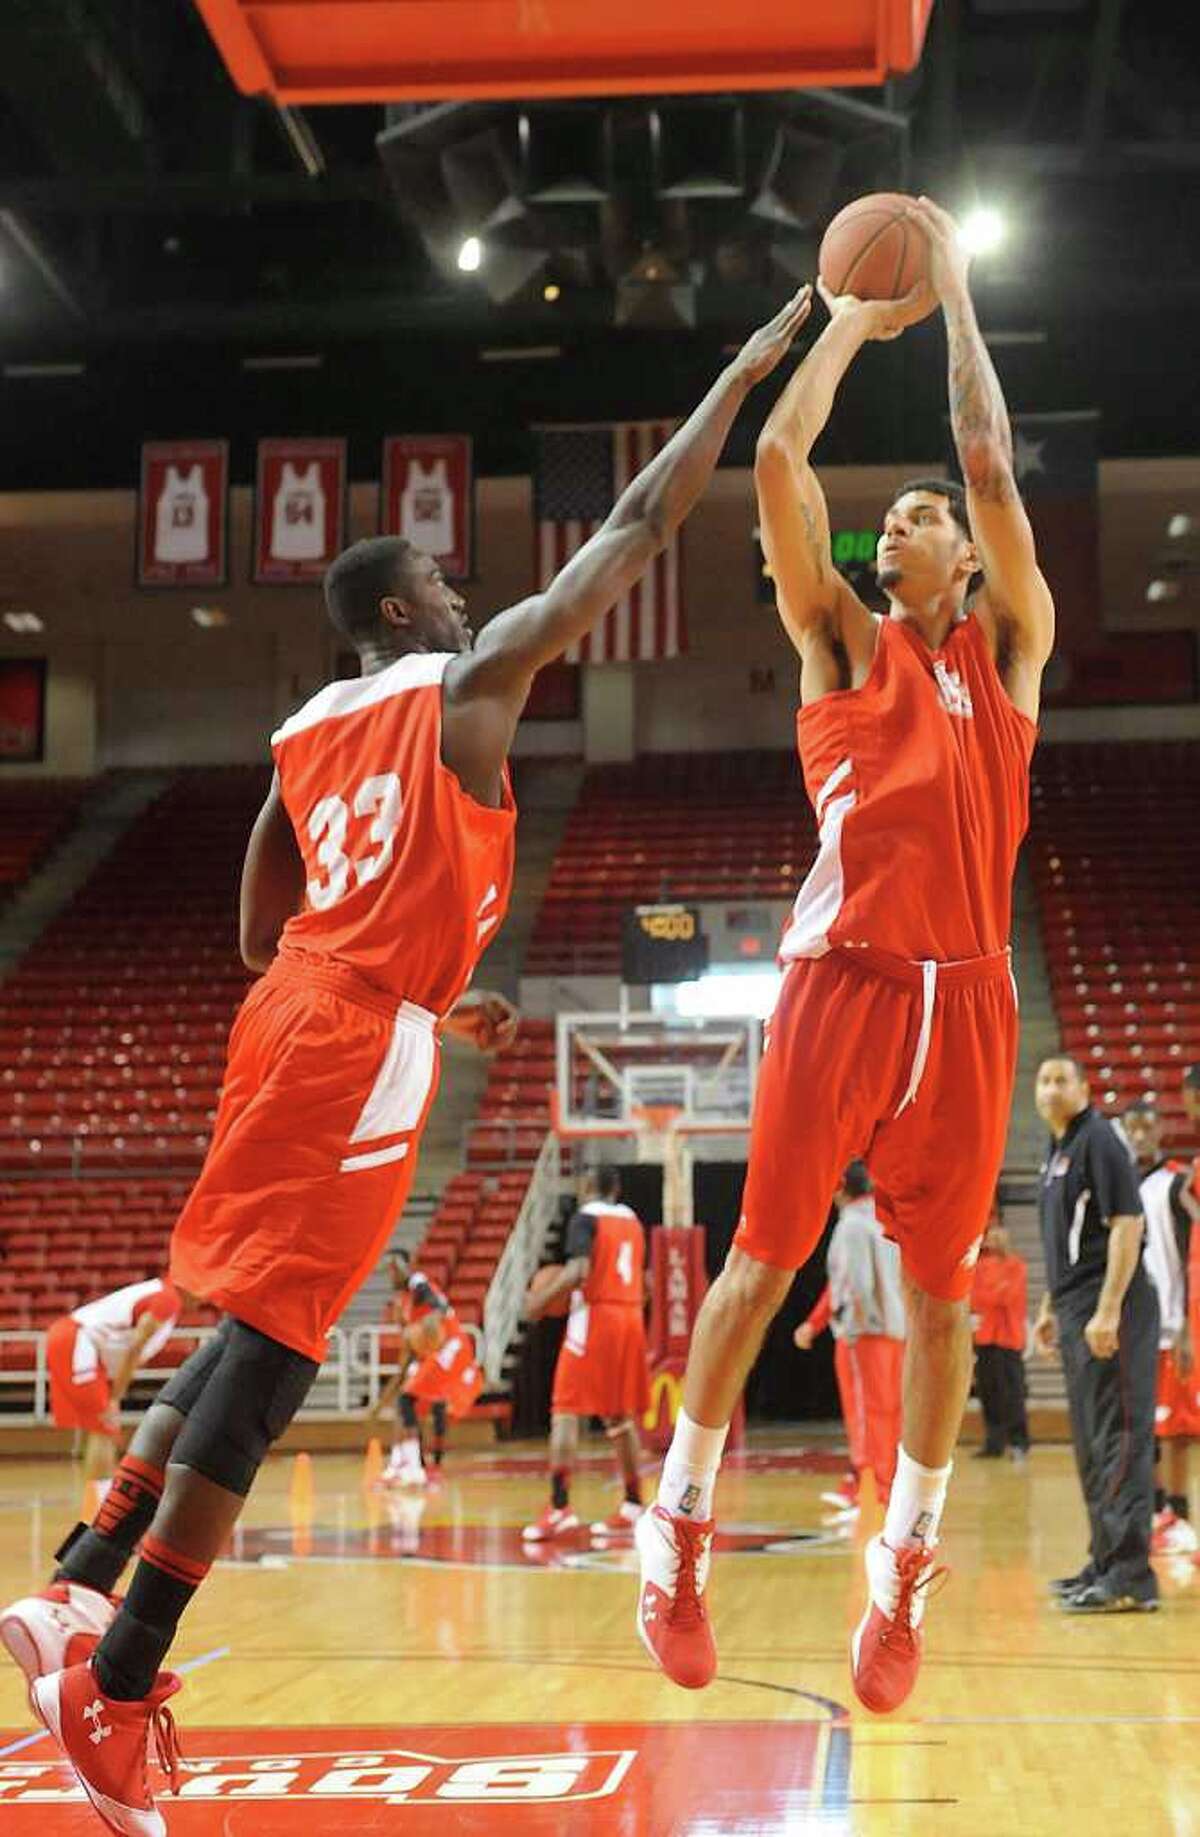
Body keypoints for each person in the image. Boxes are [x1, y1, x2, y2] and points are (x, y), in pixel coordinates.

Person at [1, 286, 812, 1834]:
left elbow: (259, 924)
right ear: (397, 614)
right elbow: (637, 524)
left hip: (293, 1014)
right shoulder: (465, 689)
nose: (460, 593)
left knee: (241, 1320)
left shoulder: (306, 726)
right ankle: (113, 1679)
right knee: (281, 1354)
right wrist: (746, 364)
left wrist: (409, 988)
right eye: (440, 582)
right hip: (356, 1036)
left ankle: (75, 1585)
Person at [636, 198, 1054, 1714]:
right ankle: (674, 1535)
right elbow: (776, 463)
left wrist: (948, 295)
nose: (913, 518)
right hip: (842, 981)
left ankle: (903, 1573)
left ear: (966, 561)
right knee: (758, 1265)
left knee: (942, 1302)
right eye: (900, 516)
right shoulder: (834, 637)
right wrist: (837, 323)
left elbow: (994, 461)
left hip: (971, 996)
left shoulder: (1009, 654)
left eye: (930, 516)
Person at [1032, 1057, 1159, 1612]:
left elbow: (1127, 1225)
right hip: (1076, 1303)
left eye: (1063, 1079)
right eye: (1043, 1080)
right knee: (1090, 1442)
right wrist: (1048, 1305)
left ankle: (1131, 1574)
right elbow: (1066, 1241)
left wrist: (1108, 1311)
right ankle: (1105, 1560)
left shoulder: (1100, 1140)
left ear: (1084, 1089)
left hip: (1116, 1304)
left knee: (1120, 1440)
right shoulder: (1057, 1153)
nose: (1052, 1088)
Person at [523, 1167, 650, 1543]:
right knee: (619, 1419)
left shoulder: (585, 1219)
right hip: (630, 1318)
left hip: (595, 1317)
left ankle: (560, 1508)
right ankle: (632, 1505)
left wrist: (538, 1301)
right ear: (618, 1188)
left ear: (590, 1187)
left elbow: (579, 1270)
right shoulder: (633, 1223)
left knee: (564, 1412)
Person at [794, 1162, 905, 1514]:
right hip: (896, 1328)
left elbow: (854, 1283)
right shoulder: (886, 1218)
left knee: (863, 1411)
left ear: (840, 1187)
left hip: (865, 1331)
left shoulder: (852, 1226)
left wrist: (846, 1324)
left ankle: (867, 1486)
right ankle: (888, 1487)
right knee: (890, 1410)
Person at [1123, 1100, 1200, 1554]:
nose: (1139, 1136)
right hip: (1134, 1325)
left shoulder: (1175, 1183)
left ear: (1160, 1131)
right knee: (1143, 1425)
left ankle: (1180, 1512)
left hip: (1172, 1323)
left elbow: (1192, 1257)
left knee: (1177, 1427)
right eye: (1132, 1128)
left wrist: (1189, 1324)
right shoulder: (1117, 1183)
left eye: (1146, 1128)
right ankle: (1155, 1511)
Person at [44, 1277, 184, 1495]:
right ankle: (98, 1513)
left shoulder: (164, 1295)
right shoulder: (168, 1298)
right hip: (77, 1339)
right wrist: (115, 1398)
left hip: (80, 1343)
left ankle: (95, 1509)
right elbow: (135, 1348)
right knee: (105, 1428)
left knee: (101, 1430)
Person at [374, 1250, 483, 1486]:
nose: (392, 1273)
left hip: (451, 1345)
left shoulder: (418, 1283)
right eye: (389, 1269)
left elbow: (439, 1309)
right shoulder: (403, 1303)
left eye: (395, 1266)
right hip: (432, 1354)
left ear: (408, 1266)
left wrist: (427, 1328)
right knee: (405, 1403)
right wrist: (380, 1402)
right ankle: (402, 1463)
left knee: (418, 1401)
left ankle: (421, 1466)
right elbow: (407, 1361)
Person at [970, 1216, 1029, 1461]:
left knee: (1012, 1392)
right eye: (990, 1237)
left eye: (997, 1238)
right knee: (988, 1391)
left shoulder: (1017, 1265)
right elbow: (975, 1298)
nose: (993, 1242)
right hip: (984, 1336)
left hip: (1009, 1337)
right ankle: (993, 1442)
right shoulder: (979, 1266)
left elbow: (1007, 1297)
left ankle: (1019, 1441)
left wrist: (990, 1295)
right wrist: (994, 1293)